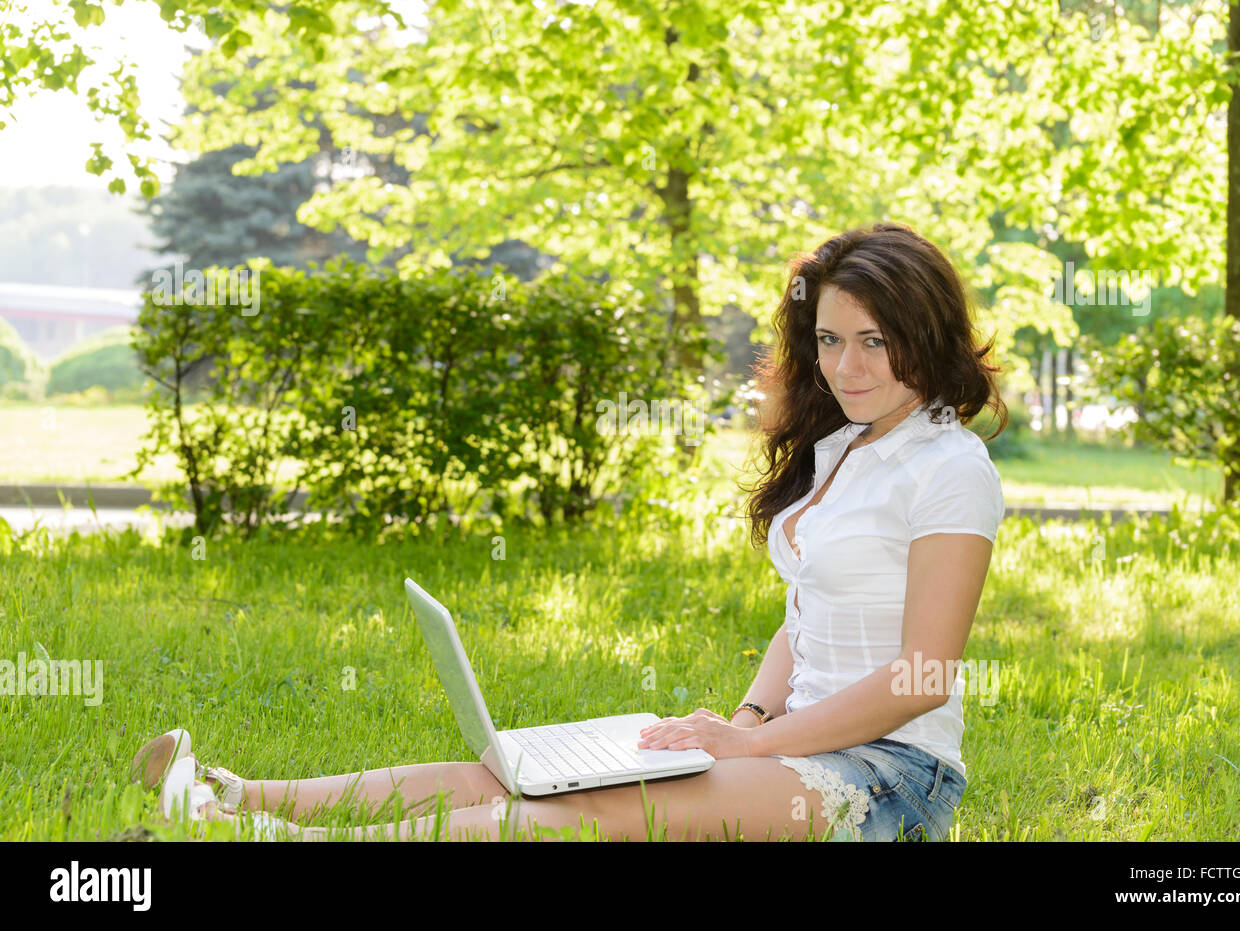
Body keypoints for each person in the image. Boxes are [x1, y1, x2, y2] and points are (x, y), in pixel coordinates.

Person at [131, 220, 1008, 842]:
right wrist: (740, 714)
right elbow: (806, 609)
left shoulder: (949, 467)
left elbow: (919, 677)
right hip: (790, 741)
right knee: (517, 768)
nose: (844, 367)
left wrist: (752, 743)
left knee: (580, 814)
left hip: (888, 775)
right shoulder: (847, 447)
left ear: (925, 336)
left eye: (872, 341)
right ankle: (237, 791)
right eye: (827, 340)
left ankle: (260, 839)